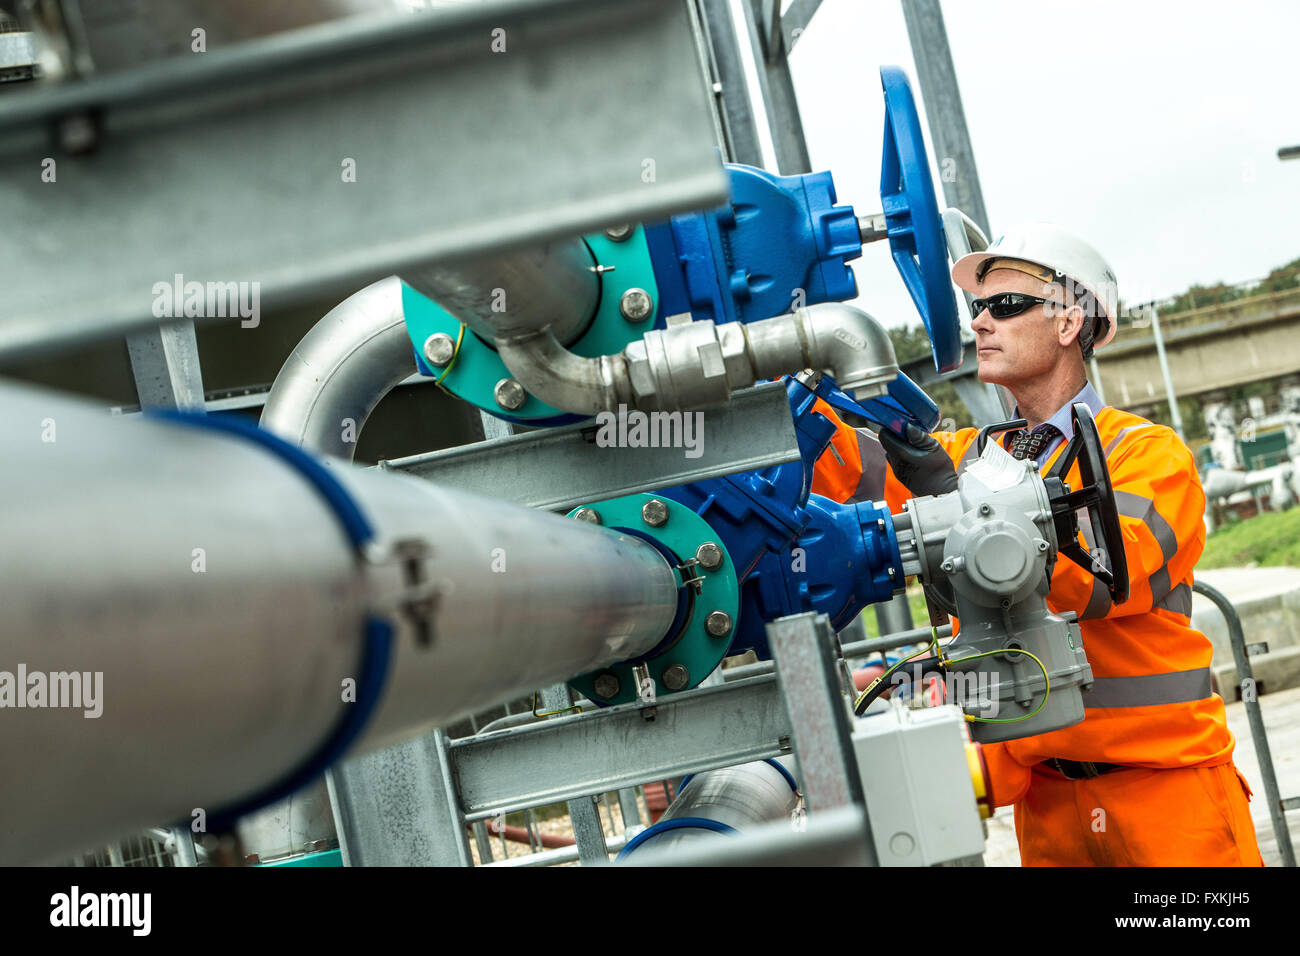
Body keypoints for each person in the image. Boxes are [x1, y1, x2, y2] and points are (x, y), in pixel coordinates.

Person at [812, 223, 1263, 866]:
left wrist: (960, 495)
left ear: (1068, 323)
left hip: (1166, 798)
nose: (982, 323)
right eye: (976, 309)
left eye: (1006, 305)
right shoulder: (972, 458)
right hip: (1046, 806)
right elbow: (844, 473)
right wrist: (787, 383)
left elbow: (1110, 573)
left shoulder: (1146, 455)